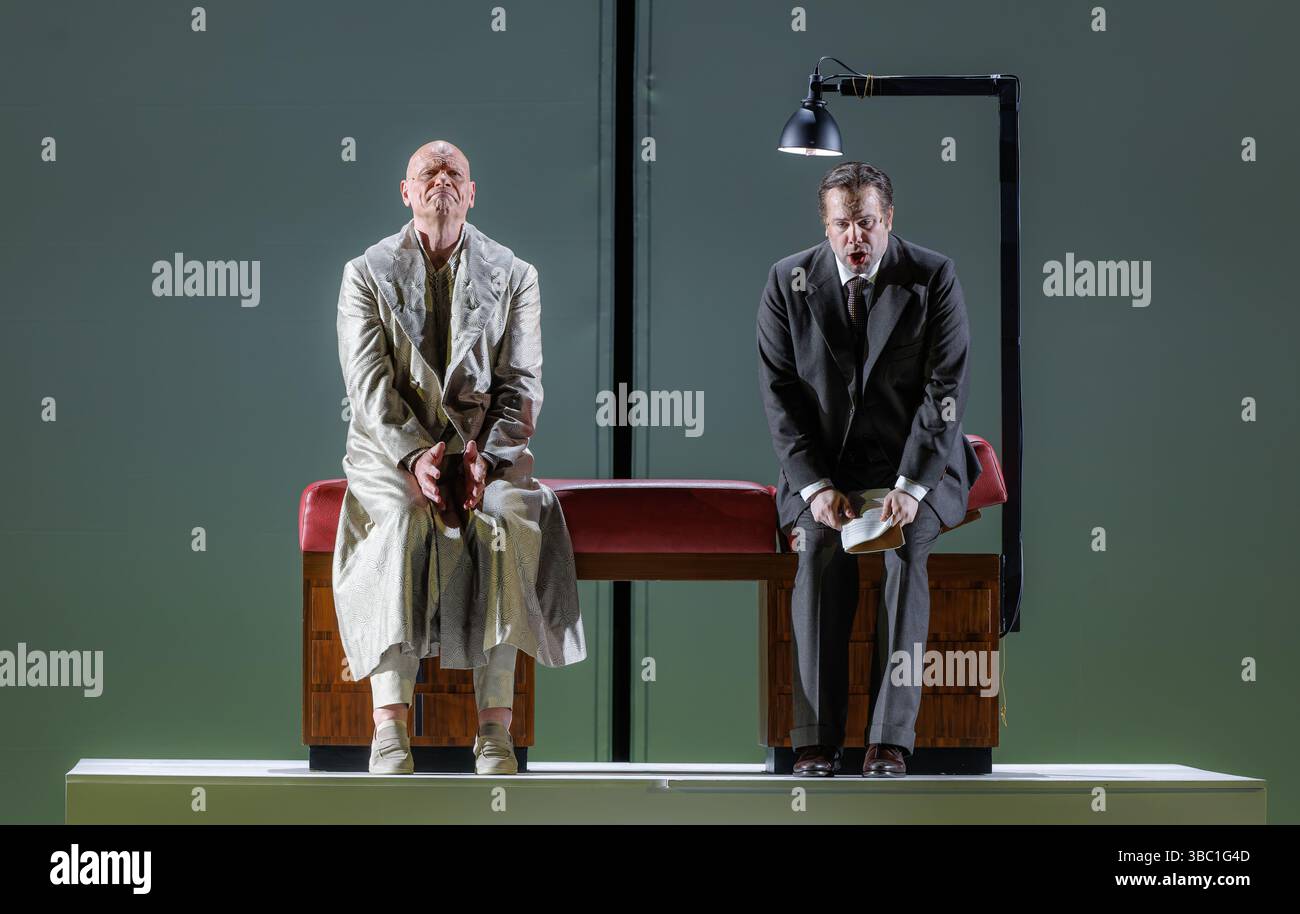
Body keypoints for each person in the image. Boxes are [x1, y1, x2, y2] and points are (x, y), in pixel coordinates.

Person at [332, 140, 586, 775]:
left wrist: (488, 460)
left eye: (454, 174)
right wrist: (416, 455)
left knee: (505, 521)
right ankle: (388, 725)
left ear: (472, 194)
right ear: (406, 192)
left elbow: (521, 385)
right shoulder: (365, 272)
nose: (441, 181)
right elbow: (368, 387)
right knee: (402, 521)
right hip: (391, 453)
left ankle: (494, 727)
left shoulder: (514, 273)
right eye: (428, 173)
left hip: (486, 452)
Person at [756, 162, 983, 777]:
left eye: (865, 223)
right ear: (824, 227)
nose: (854, 238)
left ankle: (889, 740)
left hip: (914, 466)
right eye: (841, 225)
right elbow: (781, 397)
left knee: (903, 553)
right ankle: (816, 741)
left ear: (888, 221)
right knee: (817, 553)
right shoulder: (787, 281)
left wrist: (910, 487)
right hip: (824, 471)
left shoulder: (933, 276)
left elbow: (946, 392)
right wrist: (816, 486)